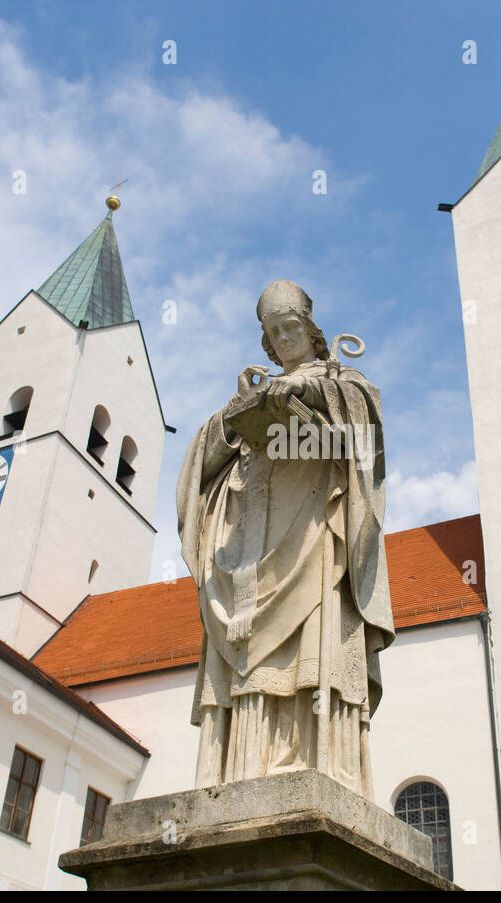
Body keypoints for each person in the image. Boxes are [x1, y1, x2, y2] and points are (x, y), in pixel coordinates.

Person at [176, 280, 394, 797]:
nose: (282, 339)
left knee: (309, 646)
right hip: (251, 543)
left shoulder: (341, 380)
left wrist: (307, 391)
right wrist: (234, 418)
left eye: (290, 328)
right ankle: (238, 767)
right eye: (273, 333)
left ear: (311, 332)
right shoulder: (256, 388)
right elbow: (200, 466)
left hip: (314, 540)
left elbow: (365, 432)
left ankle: (316, 762)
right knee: (246, 649)